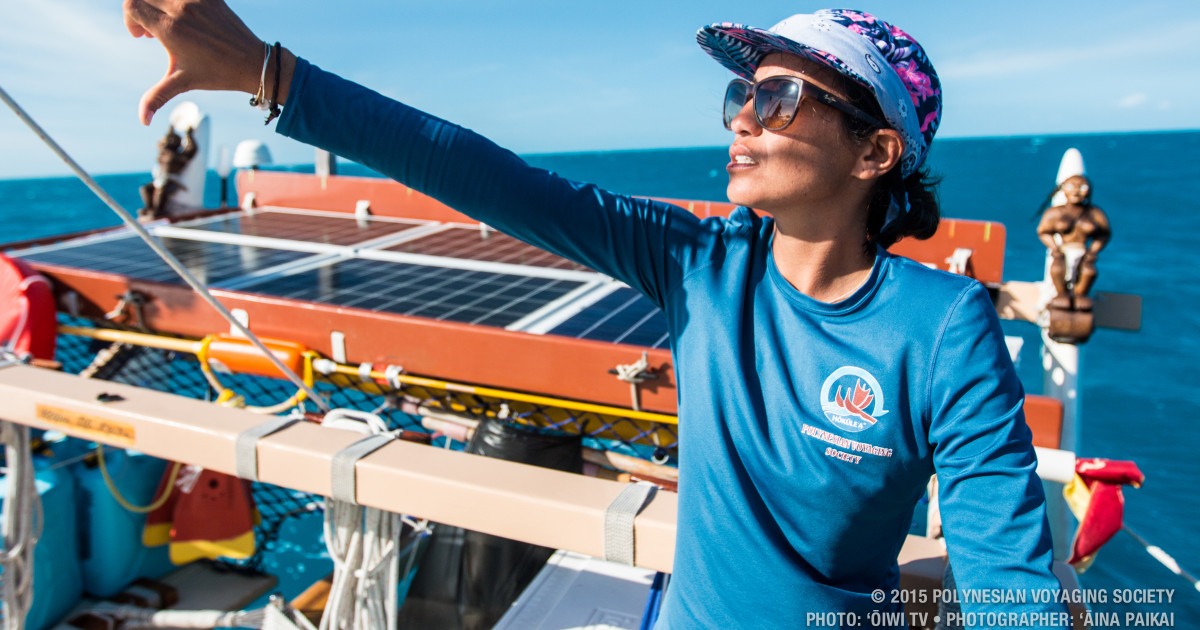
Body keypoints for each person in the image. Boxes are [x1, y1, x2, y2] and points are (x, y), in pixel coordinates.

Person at [121, 3, 1071, 627]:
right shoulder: (699, 265)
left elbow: (1006, 581)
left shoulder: (943, 328)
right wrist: (266, 71)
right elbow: (483, 174)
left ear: (875, 152)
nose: (743, 116)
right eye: (743, 92)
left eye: (781, 97)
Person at [1037, 174, 1111, 311]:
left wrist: (1093, 250)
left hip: (1082, 250)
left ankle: (1080, 295)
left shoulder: (1095, 213)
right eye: (1071, 186)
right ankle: (1061, 294)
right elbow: (1043, 231)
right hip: (1063, 250)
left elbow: (1104, 234)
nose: (1076, 191)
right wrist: (1054, 248)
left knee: (1088, 271)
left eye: (1081, 187)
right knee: (1058, 269)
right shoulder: (1055, 212)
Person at [139, 126, 197, 220]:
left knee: (162, 191)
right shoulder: (164, 152)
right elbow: (161, 143)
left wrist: (189, 135)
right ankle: (149, 208)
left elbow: (192, 149)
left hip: (171, 180)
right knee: (145, 189)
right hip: (160, 179)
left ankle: (158, 210)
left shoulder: (179, 155)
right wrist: (171, 128)